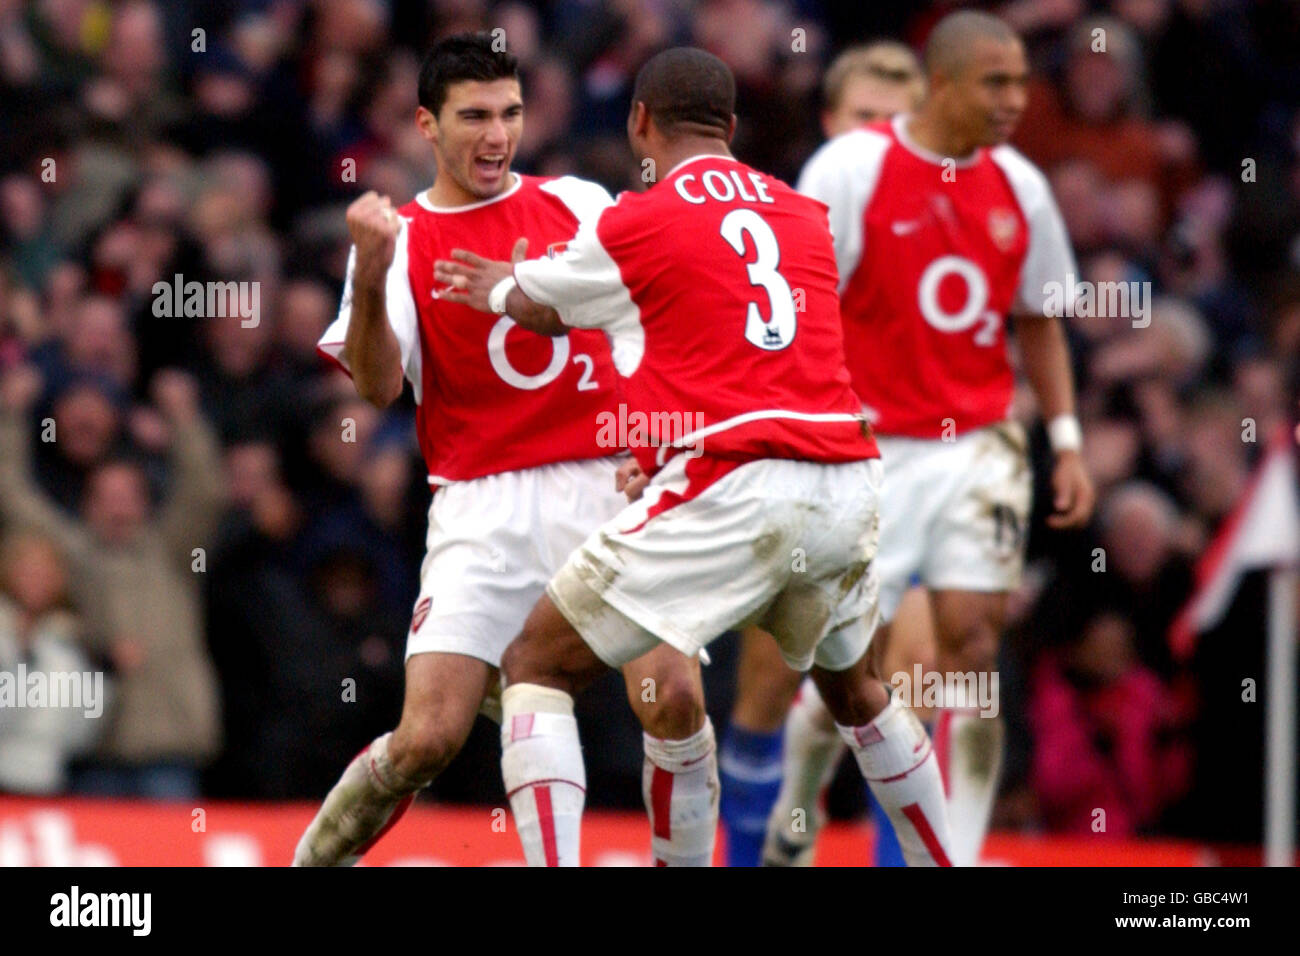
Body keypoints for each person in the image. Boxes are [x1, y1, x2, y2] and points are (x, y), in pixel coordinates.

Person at [434, 46, 954, 868]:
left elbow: (540, 307)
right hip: (847, 478)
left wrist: (496, 283)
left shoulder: (637, 220)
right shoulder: (801, 212)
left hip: (739, 484)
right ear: (732, 128)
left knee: (536, 660)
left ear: (641, 123)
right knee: (857, 692)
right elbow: (723, 341)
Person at [293, 34, 717, 868]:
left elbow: (658, 323)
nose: (497, 135)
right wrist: (375, 274)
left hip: (603, 488)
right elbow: (379, 386)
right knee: (427, 739)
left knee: (671, 696)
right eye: (475, 117)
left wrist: (658, 439)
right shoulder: (399, 237)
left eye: (511, 113)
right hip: (481, 504)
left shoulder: (580, 204)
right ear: (426, 124)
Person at [761, 10, 1096, 867]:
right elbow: (797, 308)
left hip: (978, 446)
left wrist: (1065, 440)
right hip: (868, 450)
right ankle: (797, 806)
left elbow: (1041, 319)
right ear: (941, 83)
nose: (1016, 100)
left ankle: (956, 854)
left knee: (973, 649)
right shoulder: (851, 169)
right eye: (997, 82)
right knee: (851, 666)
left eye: (1022, 81)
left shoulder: (1021, 186)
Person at [720, 39, 931, 868]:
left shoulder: (941, 228)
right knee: (768, 690)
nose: (880, 136)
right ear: (831, 124)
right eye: (865, 118)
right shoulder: (783, 232)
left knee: (910, 684)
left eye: (897, 122)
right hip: (807, 473)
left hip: (910, 479)